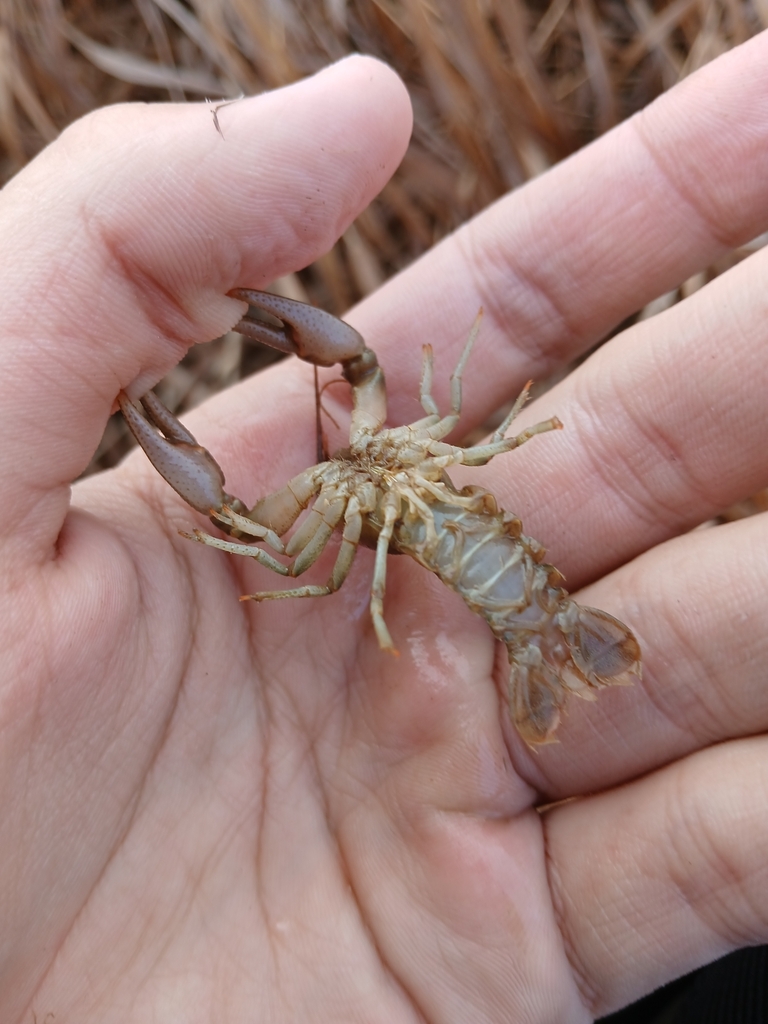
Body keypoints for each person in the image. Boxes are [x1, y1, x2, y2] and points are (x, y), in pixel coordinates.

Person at [1, 34, 767, 1024]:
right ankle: (550, 637)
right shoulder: (366, 480)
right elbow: (287, 543)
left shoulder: (353, 476)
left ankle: (551, 634)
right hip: (472, 543)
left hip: (510, 577)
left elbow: (296, 531)